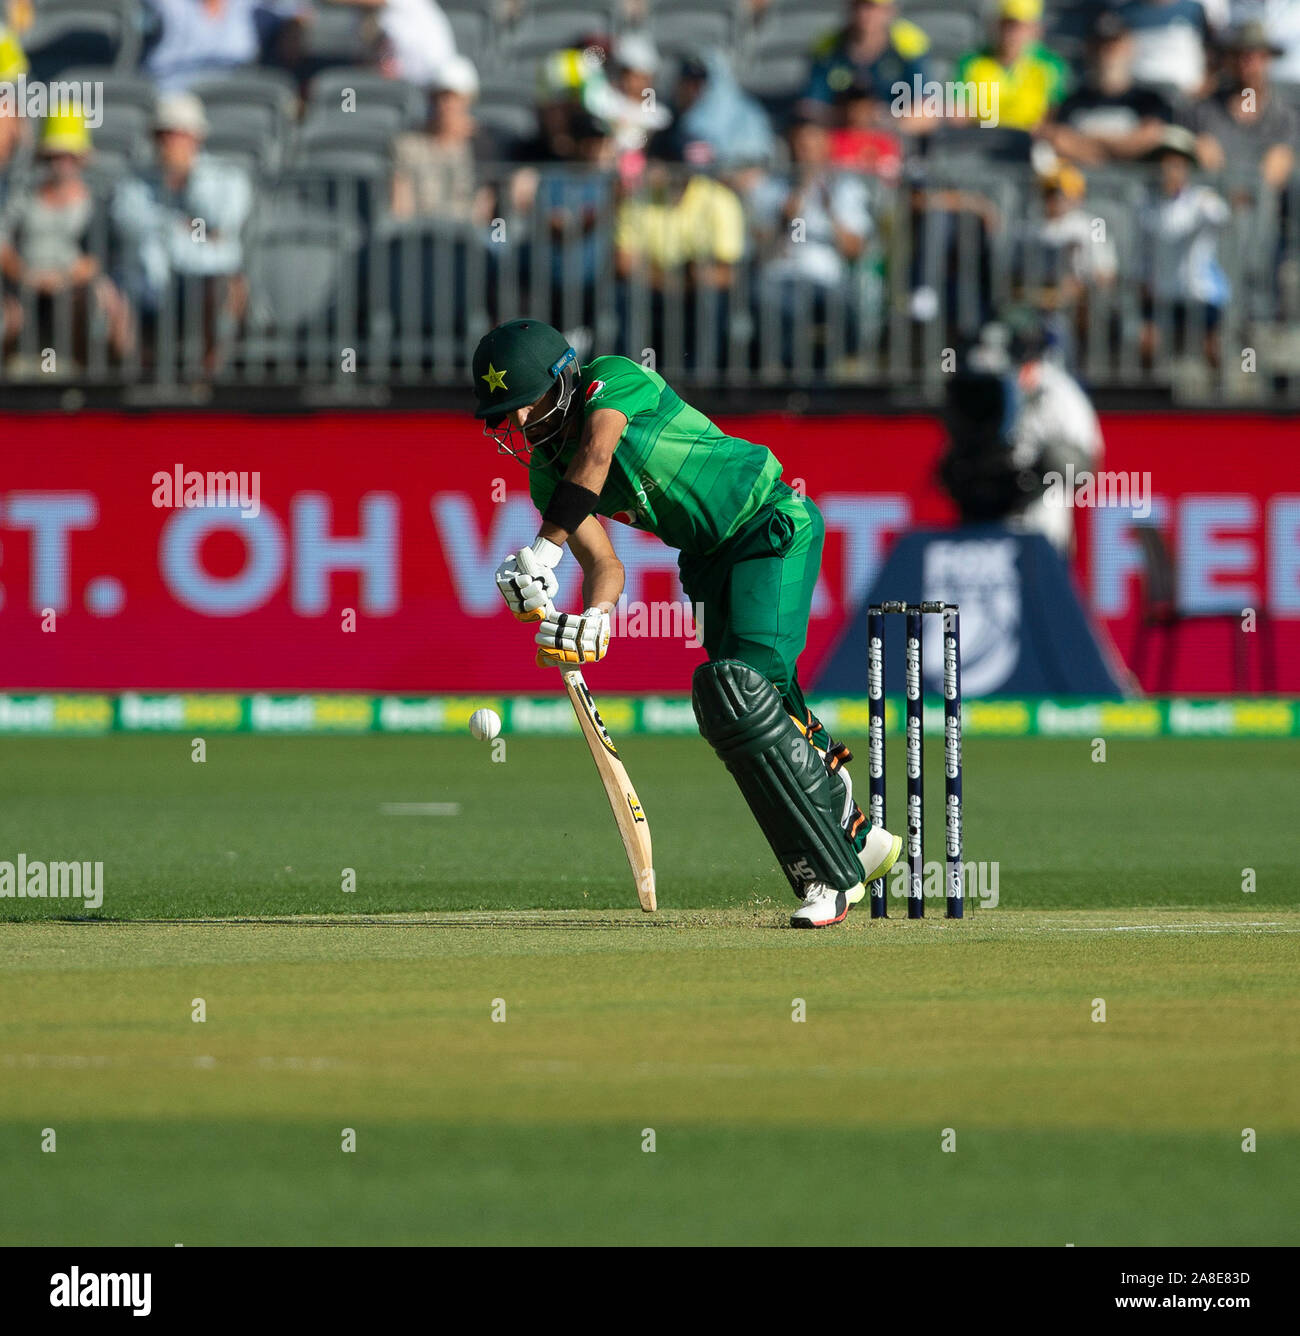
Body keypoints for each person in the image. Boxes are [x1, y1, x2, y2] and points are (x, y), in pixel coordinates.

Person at [472, 317, 904, 928]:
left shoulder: (611, 381)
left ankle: (833, 874)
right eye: (504, 415)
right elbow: (606, 564)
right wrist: (594, 618)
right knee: (739, 707)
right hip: (707, 562)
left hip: (767, 526)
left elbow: (598, 454)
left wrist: (542, 552)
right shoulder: (547, 473)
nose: (516, 424)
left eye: (525, 403)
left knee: (744, 691)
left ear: (563, 380)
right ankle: (856, 837)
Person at [112, 92, 252, 372]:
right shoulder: (134, 182)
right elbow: (128, 223)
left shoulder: (227, 177)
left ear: (196, 137)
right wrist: (182, 219)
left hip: (205, 284)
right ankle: (138, 383)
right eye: (163, 135)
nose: (169, 143)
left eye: (177, 134)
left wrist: (189, 180)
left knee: (229, 289)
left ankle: (207, 380)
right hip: (151, 287)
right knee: (111, 295)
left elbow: (224, 220)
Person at [0, 112, 132, 364]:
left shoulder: (97, 203)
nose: (62, 164)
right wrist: (25, 275)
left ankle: (85, 382)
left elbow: (99, 256)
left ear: (82, 159)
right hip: (21, 290)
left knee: (99, 304)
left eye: (70, 156)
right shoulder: (22, 198)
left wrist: (63, 279)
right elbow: (2, 243)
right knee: (8, 316)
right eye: (55, 156)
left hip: (74, 291)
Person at [747, 103, 872, 368]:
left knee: (836, 303)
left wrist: (831, 211)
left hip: (826, 277)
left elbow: (855, 248)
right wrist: (784, 218)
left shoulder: (845, 187)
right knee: (773, 301)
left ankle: (830, 376)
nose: (804, 148)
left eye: (812, 139)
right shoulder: (771, 188)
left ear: (826, 144)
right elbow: (758, 248)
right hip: (781, 275)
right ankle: (782, 377)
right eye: (799, 140)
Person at [1138, 124, 1230, 368]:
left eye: (1176, 164)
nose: (1169, 171)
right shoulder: (1146, 204)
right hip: (1164, 294)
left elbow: (1221, 217)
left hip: (1201, 293)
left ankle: (1221, 401)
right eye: (1164, 164)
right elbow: (1146, 249)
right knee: (1146, 343)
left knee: (1213, 348)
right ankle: (1150, 403)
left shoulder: (1202, 198)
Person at [1045, 12, 1176, 164]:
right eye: (1099, 46)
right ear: (1088, 49)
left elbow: (1151, 139)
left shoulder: (1150, 100)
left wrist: (1085, 144)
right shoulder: (1071, 101)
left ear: (1129, 47)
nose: (1106, 53)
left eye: (1114, 45)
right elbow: (1059, 141)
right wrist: (1123, 146)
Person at [1192, 19, 1297, 192]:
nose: (1245, 63)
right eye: (1238, 55)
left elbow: (1279, 165)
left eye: (1252, 56)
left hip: (1263, 208)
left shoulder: (1284, 115)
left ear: (1266, 59)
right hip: (1215, 204)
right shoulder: (1206, 108)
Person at [391, 54, 493, 223]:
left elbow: (483, 208)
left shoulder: (484, 145)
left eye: (452, 97)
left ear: (468, 99)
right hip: (419, 237)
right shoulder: (407, 145)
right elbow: (401, 206)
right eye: (438, 97)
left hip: (466, 239)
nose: (444, 105)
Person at [804, 0, 932, 135]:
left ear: (890, 11)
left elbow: (927, 112)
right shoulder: (827, 48)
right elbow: (810, 107)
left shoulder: (910, 45)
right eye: (859, 5)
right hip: (838, 140)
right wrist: (848, 117)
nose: (865, 14)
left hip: (895, 142)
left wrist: (884, 120)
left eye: (873, 8)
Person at [953, 0, 1070, 132]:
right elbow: (959, 115)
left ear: (1036, 29)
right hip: (981, 138)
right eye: (1006, 25)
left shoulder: (1051, 66)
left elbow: (1052, 117)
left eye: (1019, 27)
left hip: (1032, 141)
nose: (1011, 34)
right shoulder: (971, 62)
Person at [142, 0, 306, 92]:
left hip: (232, 92)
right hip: (173, 90)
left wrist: (294, 27)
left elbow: (296, 10)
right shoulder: (170, 5)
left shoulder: (243, 5)